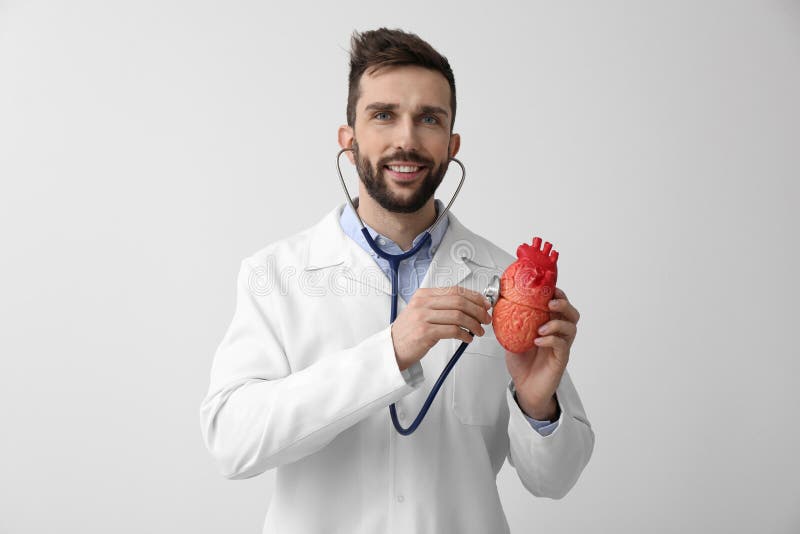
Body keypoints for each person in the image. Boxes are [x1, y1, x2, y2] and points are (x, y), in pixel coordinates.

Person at [200, 27, 594, 534]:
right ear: (349, 140)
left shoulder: (507, 281)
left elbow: (555, 481)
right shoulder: (276, 275)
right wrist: (388, 353)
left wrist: (538, 405)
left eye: (428, 119)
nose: (406, 139)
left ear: (451, 145)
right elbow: (231, 443)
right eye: (383, 115)